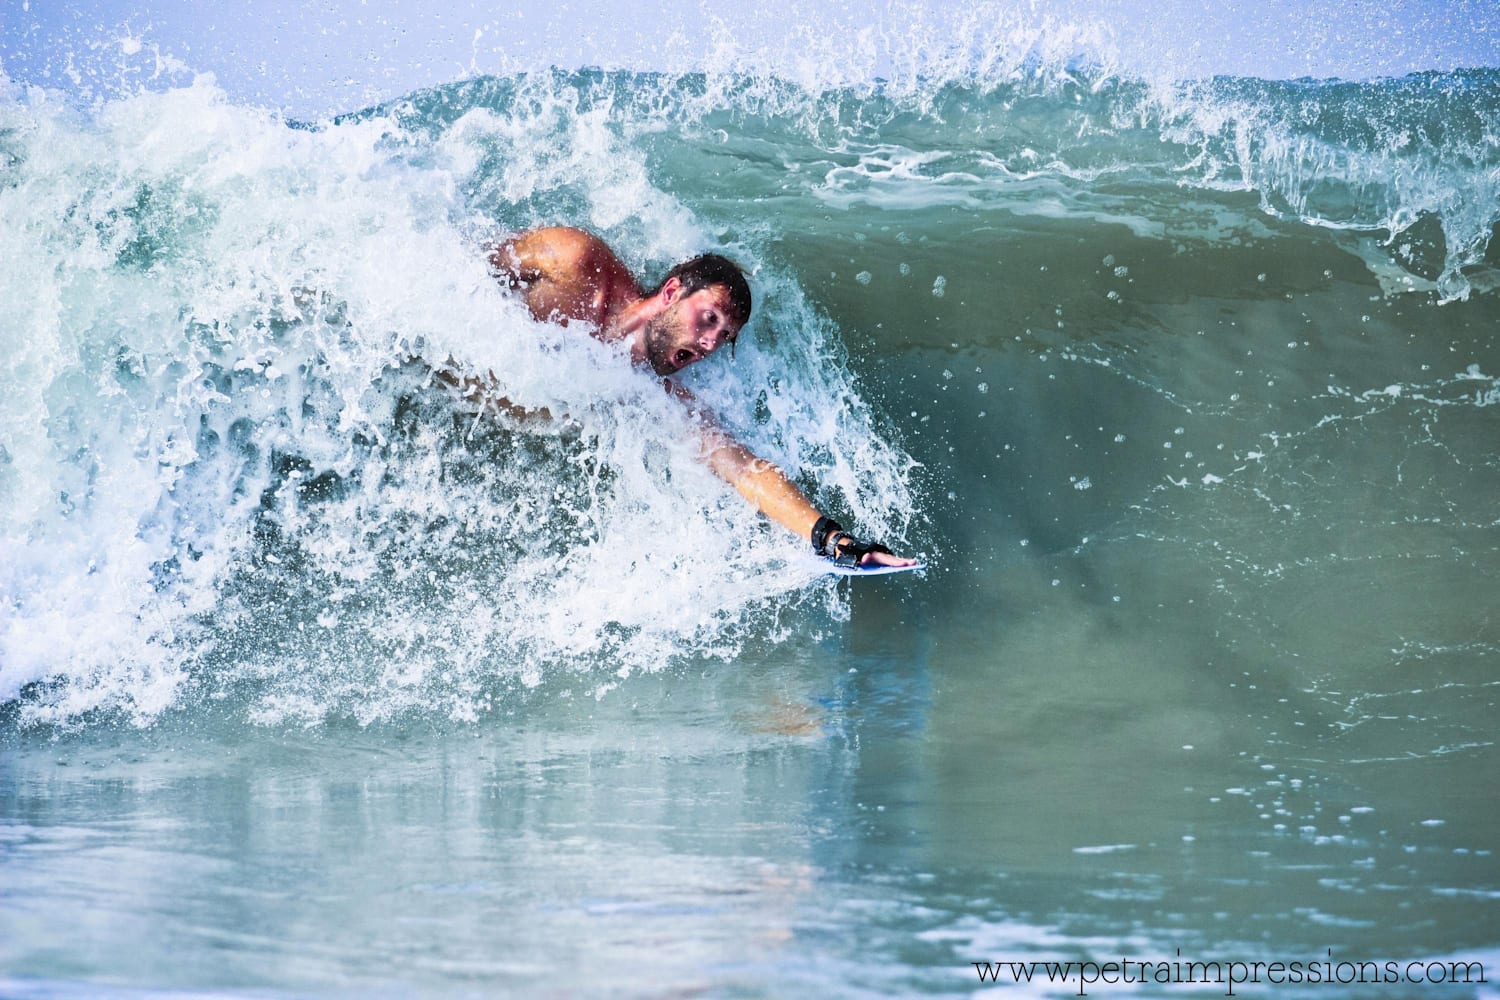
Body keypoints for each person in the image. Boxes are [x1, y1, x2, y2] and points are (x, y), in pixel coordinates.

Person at [465, 225, 913, 569]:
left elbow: (741, 467)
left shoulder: (651, 394)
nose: (710, 344)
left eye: (724, 336)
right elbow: (467, 267)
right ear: (672, 292)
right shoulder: (577, 261)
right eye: (709, 318)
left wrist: (832, 540)